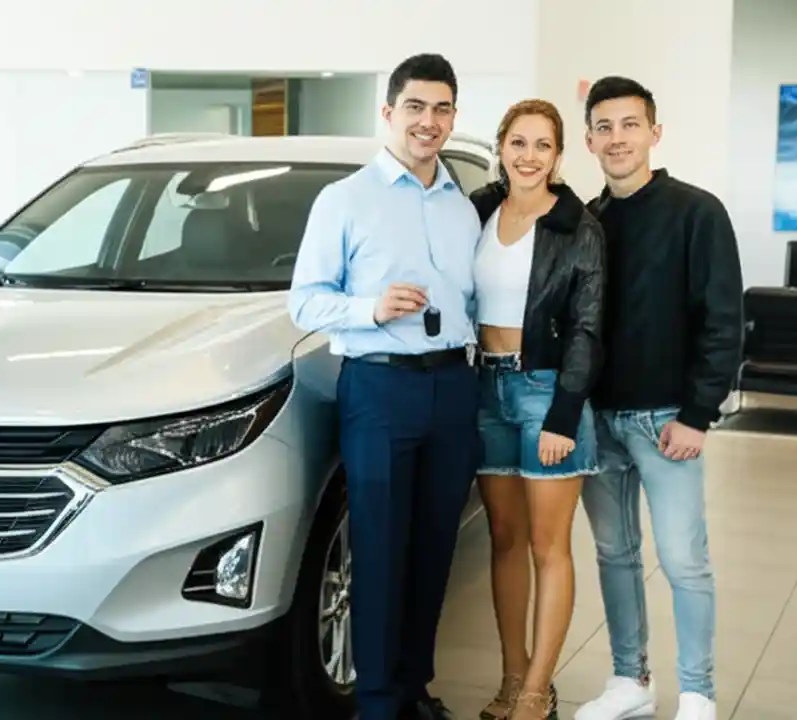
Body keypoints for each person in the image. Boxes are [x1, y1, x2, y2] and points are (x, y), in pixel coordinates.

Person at [288, 53, 481, 720]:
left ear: (454, 116)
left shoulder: (463, 206)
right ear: (389, 112)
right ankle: (375, 702)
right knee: (378, 546)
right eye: (416, 108)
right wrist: (369, 308)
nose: (429, 122)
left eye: (442, 109)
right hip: (379, 389)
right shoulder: (344, 200)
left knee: (434, 546)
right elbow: (306, 303)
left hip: (455, 388)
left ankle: (412, 689)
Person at [574, 77, 743, 720]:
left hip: (667, 421)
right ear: (590, 139)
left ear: (654, 132)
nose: (617, 138)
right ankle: (630, 681)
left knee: (683, 561)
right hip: (599, 420)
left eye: (629, 125)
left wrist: (699, 413)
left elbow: (723, 319)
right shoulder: (589, 220)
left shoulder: (697, 211)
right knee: (615, 555)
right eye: (604, 127)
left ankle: (697, 691)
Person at [467, 99, 607, 720]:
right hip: (485, 389)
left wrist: (563, 414)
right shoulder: (475, 212)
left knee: (549, 547)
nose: (528, 156)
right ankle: (511, 675)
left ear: (558, 155)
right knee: (503, 538)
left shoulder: (577, 225)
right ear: (501, 147)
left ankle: (537, 690)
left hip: (546, 388)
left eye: (542, 145)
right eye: (518, 143)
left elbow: (587, 325)